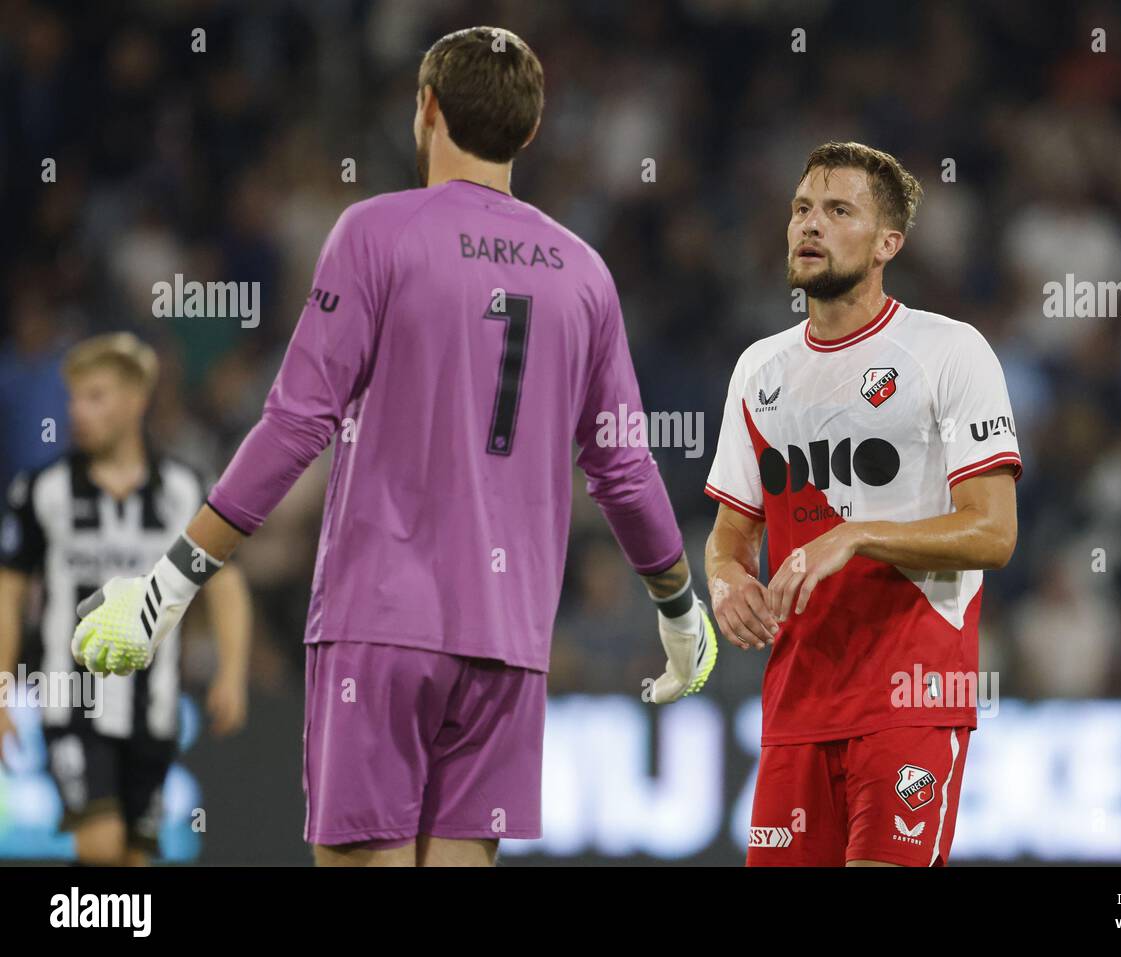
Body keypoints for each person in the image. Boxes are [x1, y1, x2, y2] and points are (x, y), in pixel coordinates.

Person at [68, 27, 716, 868]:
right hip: (508, 641)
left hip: (382, 622)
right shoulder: (585, 273)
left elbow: (297, 421)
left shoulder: (376, 232)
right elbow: (624, 466)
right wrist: (677, 609)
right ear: (529, 130)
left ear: (428, 110)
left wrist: (168, 584)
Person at [704, 142, 1021, 867]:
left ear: (888, 244)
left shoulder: (949, 351)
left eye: (837, 210)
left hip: (911, 693)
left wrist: (856, 535)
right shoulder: (759, 368)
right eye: (801, 209)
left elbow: (995, 532)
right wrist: (727, 584)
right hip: (796, 702)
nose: (809, 226)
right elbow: (729, 537)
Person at [0, 332, 251, 865]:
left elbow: (226, 582)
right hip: (71, 704)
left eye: (95, 396)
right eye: (73, 398)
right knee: (100, 845)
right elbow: (10, 588)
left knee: (134, 858)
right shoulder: (42, 490)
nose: (77, 411)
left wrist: (232, 669)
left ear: (137, 400)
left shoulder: (184, 488)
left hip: (154, 710)